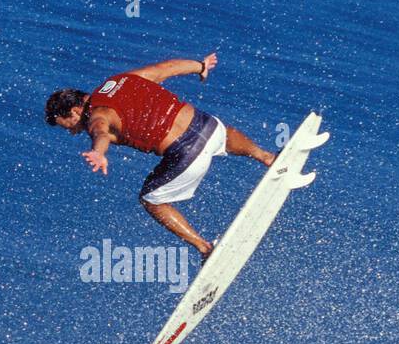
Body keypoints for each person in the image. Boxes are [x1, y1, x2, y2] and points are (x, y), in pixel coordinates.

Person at [44, 53, 275, 258]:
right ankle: (266, 157)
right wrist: (200, 66)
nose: (73, 131)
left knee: (150, 199)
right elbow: (166, 68)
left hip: (188, 154)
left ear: (75, 111)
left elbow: (101, 133)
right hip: (210, 126)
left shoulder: (97, 115)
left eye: (67, 125)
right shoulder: (119, 80)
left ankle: (205, 248)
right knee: (218, 133)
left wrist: (98, 153)